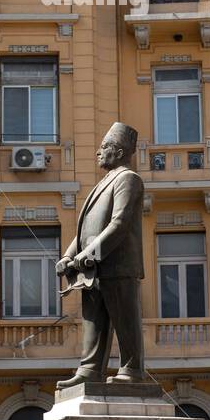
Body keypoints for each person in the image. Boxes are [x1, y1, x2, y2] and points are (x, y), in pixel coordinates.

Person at [56, 122, 145, 387]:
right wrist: (69, 255)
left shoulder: (128, 179)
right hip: (93, 266)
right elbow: (86, 229)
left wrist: (89, 253)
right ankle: (90, 369)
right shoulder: (103, 183)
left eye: (104, 147)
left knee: (124, 318)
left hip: (118, 264)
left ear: (119, 152)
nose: (98, 152)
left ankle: (132, 370)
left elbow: (120, 223)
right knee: (94, 319)